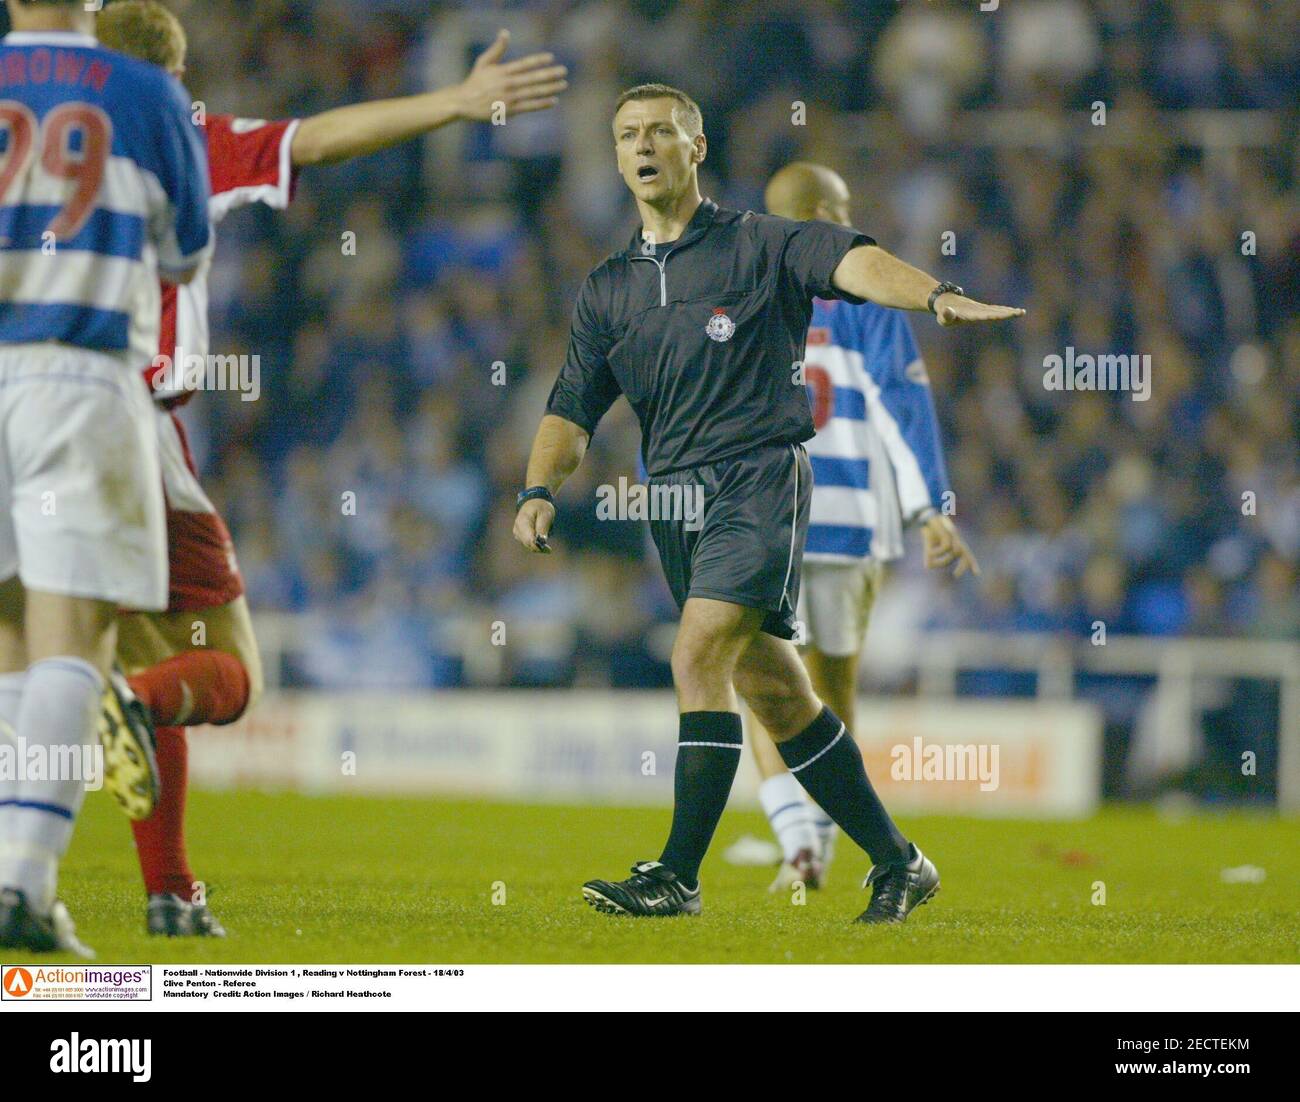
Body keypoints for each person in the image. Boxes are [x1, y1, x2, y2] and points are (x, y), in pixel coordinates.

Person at [95, 0, 567, 937]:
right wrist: (456, 102)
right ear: (173, 76)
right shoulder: (182, 136)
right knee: (217, 667)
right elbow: (316, 139)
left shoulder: (26, 140)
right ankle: (123, 713)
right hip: (120, 419)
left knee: (76, 654)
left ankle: (165, 891)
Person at [514, 84, 1023, 923]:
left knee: (695, 657)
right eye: (627, 135)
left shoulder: (759, 243)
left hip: (757, 478)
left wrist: (932, 295)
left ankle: (678, 875)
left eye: (661, 133)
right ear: (615, 156)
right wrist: (538, 488)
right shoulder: (607, 289)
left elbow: (851, 258)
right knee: (779, 697)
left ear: (695, 148)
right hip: (672, 502)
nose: (643, 146)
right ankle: (901, 862)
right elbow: (571, 410)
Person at [0, 0, 212, 953]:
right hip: (76, 376)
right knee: (73, 642)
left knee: (7, 638)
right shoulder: (141, 90)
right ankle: (23, 883)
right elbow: (185, 253)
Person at [747, 162, 978, 893]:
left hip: (762, 516)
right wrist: (930, 508)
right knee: (832, 691)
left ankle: (796, 840)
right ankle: (820, 836)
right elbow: (898, 404)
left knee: (759, 678)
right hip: (848, 522)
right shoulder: (868, 299)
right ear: (820, 216)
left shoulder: (743, 295)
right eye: (845, 207)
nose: (855, 221)